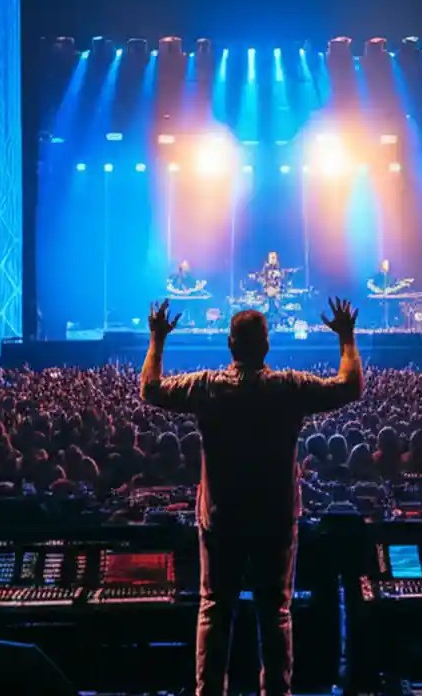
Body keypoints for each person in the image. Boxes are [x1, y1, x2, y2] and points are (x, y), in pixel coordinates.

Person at [140, 297, 363, 696]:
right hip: (274, 516)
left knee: (214, 609)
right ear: (266, 346)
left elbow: (151, 389)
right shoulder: (288, 387)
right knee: (275, 613)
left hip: (221, 515)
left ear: (230, 345)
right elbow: (349, 386)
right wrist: (346, 337)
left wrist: (157, 339)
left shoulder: (206, 387)